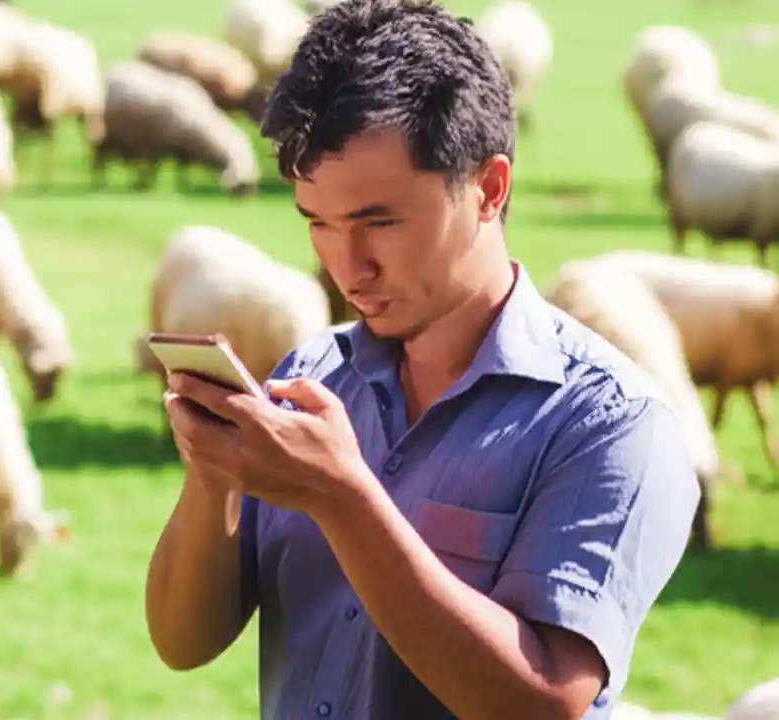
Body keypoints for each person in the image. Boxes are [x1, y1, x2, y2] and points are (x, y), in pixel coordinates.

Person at [142, 1, 703, 718]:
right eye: (319, 223)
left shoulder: (612, 426)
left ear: (489, 190)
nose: (348, 268)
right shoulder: (310, 375)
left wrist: (342, 499)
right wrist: (212, 474)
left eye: (380, 222)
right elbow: (181, 643)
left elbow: (540, 704)